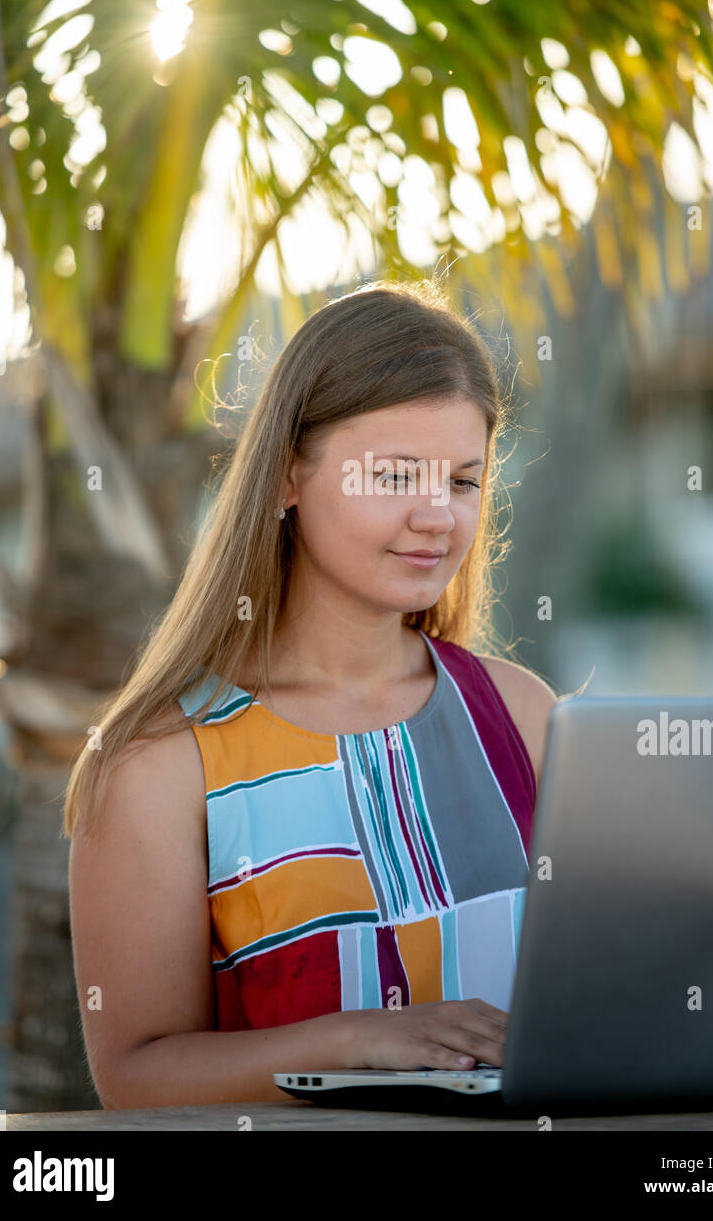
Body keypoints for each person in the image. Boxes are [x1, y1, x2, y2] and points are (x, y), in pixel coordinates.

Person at [65, 278, 557, 1107]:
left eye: (463, 481)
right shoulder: (160, 764)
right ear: (289, 479)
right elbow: (132, 1079)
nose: (438, 516)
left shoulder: (525, 715)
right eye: (396, 475)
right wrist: (355, 1039)